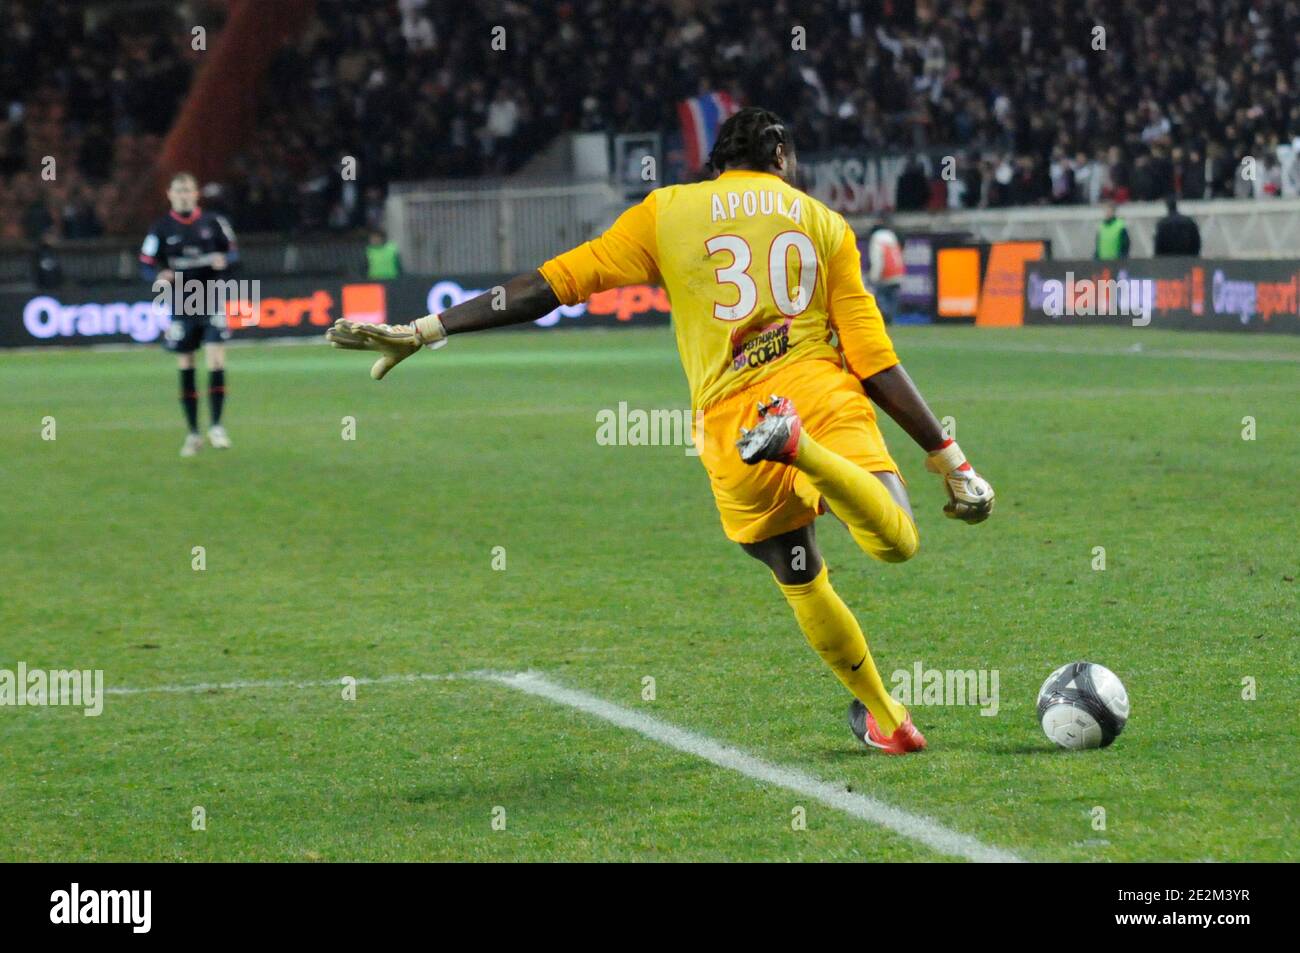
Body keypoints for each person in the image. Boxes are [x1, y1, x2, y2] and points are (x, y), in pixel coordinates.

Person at [326, 108, 996, 755]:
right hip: (818, 397)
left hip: (734, 424)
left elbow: (552, 283)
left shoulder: (668, 211)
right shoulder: (826, 224)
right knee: (897, 541)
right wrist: (951, 458)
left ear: (717, 162)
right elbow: (876, 361)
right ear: (781, 157)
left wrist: (429, 328)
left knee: (800, 572)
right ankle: (807, 451)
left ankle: (888, 718)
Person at [139, 172, 239, 457]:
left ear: (197, 194)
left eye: (188, 190)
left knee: (217, 359)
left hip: (211, 298)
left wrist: (225, 261)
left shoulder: (214, 223)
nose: (183, 194)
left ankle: (217, 426)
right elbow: (145, 265)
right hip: (181, 302)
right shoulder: (160, 228)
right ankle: (193, 433)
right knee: (186, 364)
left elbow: (235, 255)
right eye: (178, 190)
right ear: (169, 194)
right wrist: (158, 276)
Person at [864, 216, 905, 324]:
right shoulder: (891, 236)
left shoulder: (876, 238)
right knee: (892, 305)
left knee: (882, 304)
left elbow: (877, 259)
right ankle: (890, 321)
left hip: (885, 275)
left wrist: (873, 277)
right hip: (897, 273)